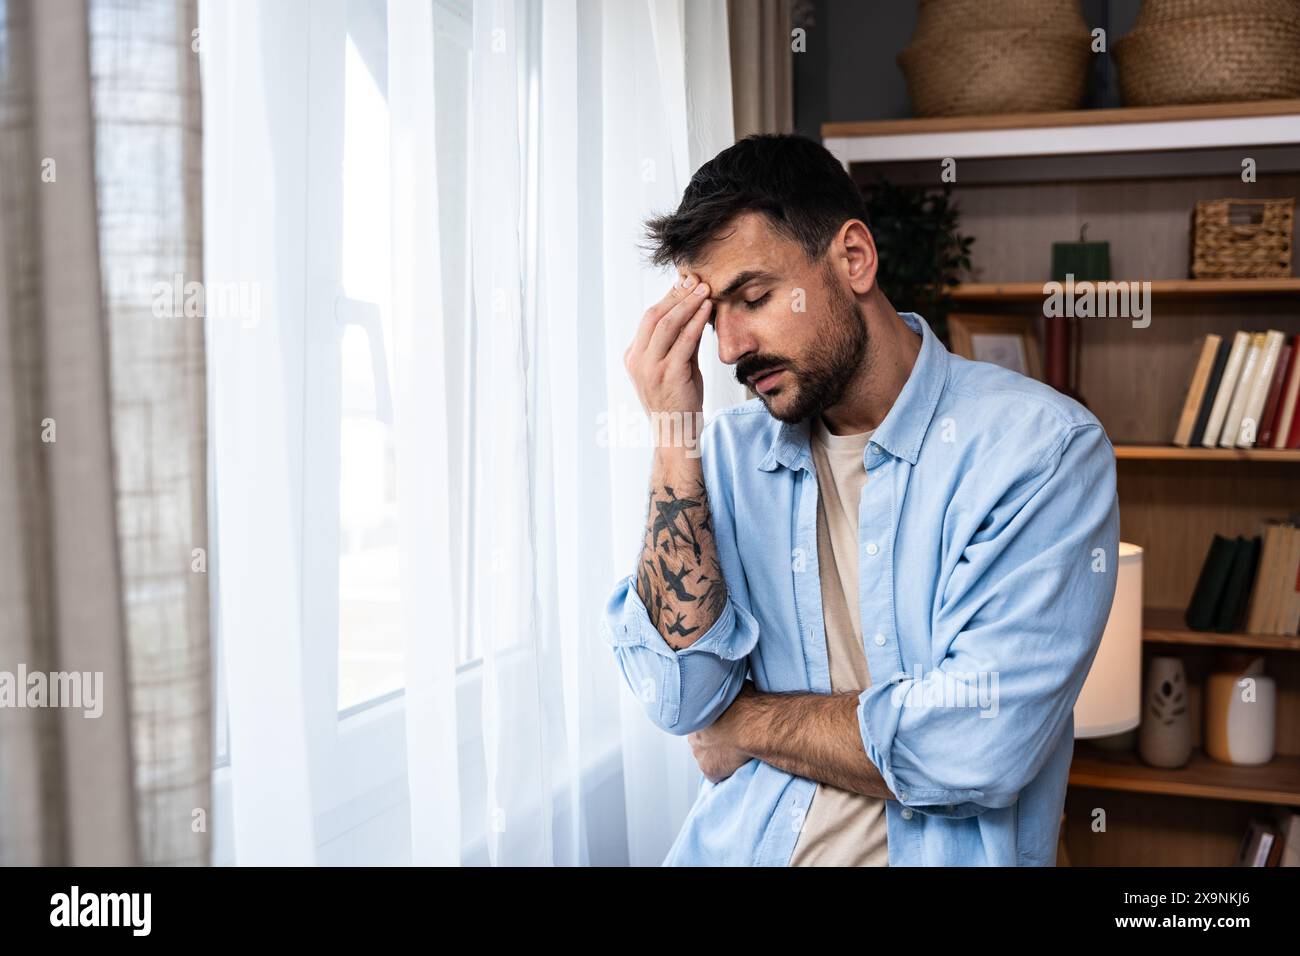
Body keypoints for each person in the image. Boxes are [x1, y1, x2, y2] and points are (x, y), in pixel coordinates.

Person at [603, 133, 1119, 866]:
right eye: (714, 314)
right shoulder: (720, 455)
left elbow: (980, 745)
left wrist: (744, 724)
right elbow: (680, 697)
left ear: (853, 259)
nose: (727, 349)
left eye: (754, 297)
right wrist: (673, 432)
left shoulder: (1039, 451)